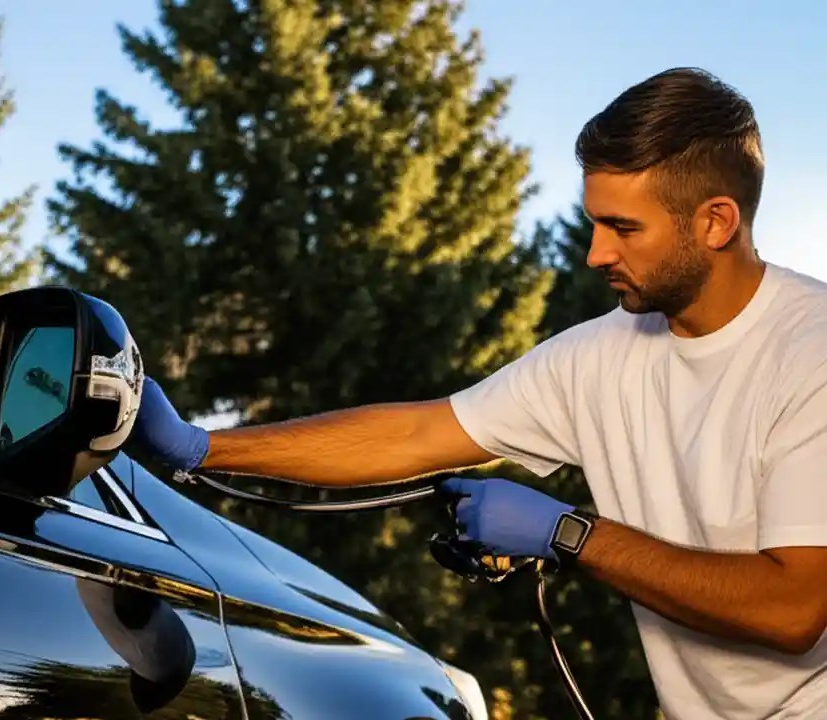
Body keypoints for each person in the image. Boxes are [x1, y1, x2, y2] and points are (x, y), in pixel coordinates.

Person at [128, 67, 827, 720]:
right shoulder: (599, 357)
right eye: (594, 222)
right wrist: (202, 446)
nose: (595, 253)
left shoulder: (811, 351)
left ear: (715, 222)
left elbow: (792, 609)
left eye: (623, 228)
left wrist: (568, 534)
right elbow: (413, 435)